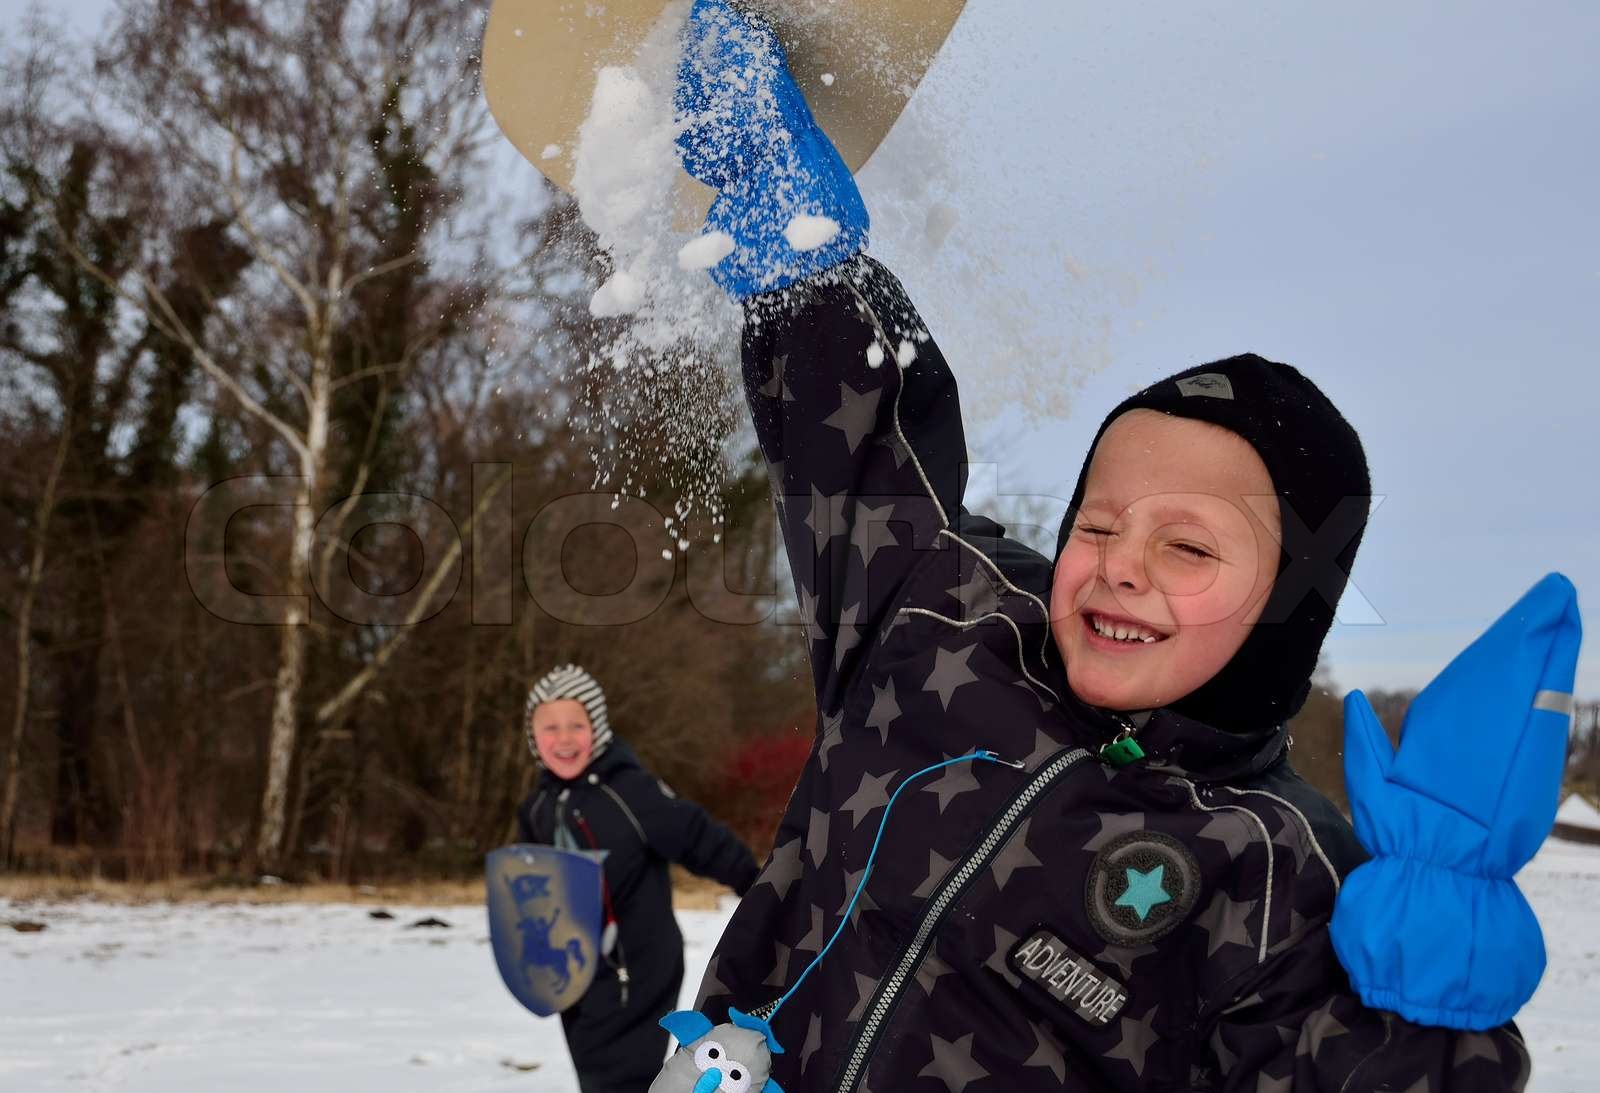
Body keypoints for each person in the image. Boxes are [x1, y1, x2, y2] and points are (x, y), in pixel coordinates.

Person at [659, 1, 1561, 1089]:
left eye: (1188, 547)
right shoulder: (941, 625)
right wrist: (799, 259)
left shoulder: (1274, 873)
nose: (1121, 560)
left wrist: (1437, 1013)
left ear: (1287, 608)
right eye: (1097, 520)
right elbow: (864, 457)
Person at [514, 664, 760, 1093]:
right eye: (550, 727)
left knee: (621, 1079)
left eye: (577, 724)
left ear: (599, 726)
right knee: (594, 1071)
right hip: (576, 974)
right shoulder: (539, 806)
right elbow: (531, 891)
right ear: (534, 736)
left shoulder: (628, 792)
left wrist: (757, 887)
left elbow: (696, 835)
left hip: (637, 967)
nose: (564, 738)